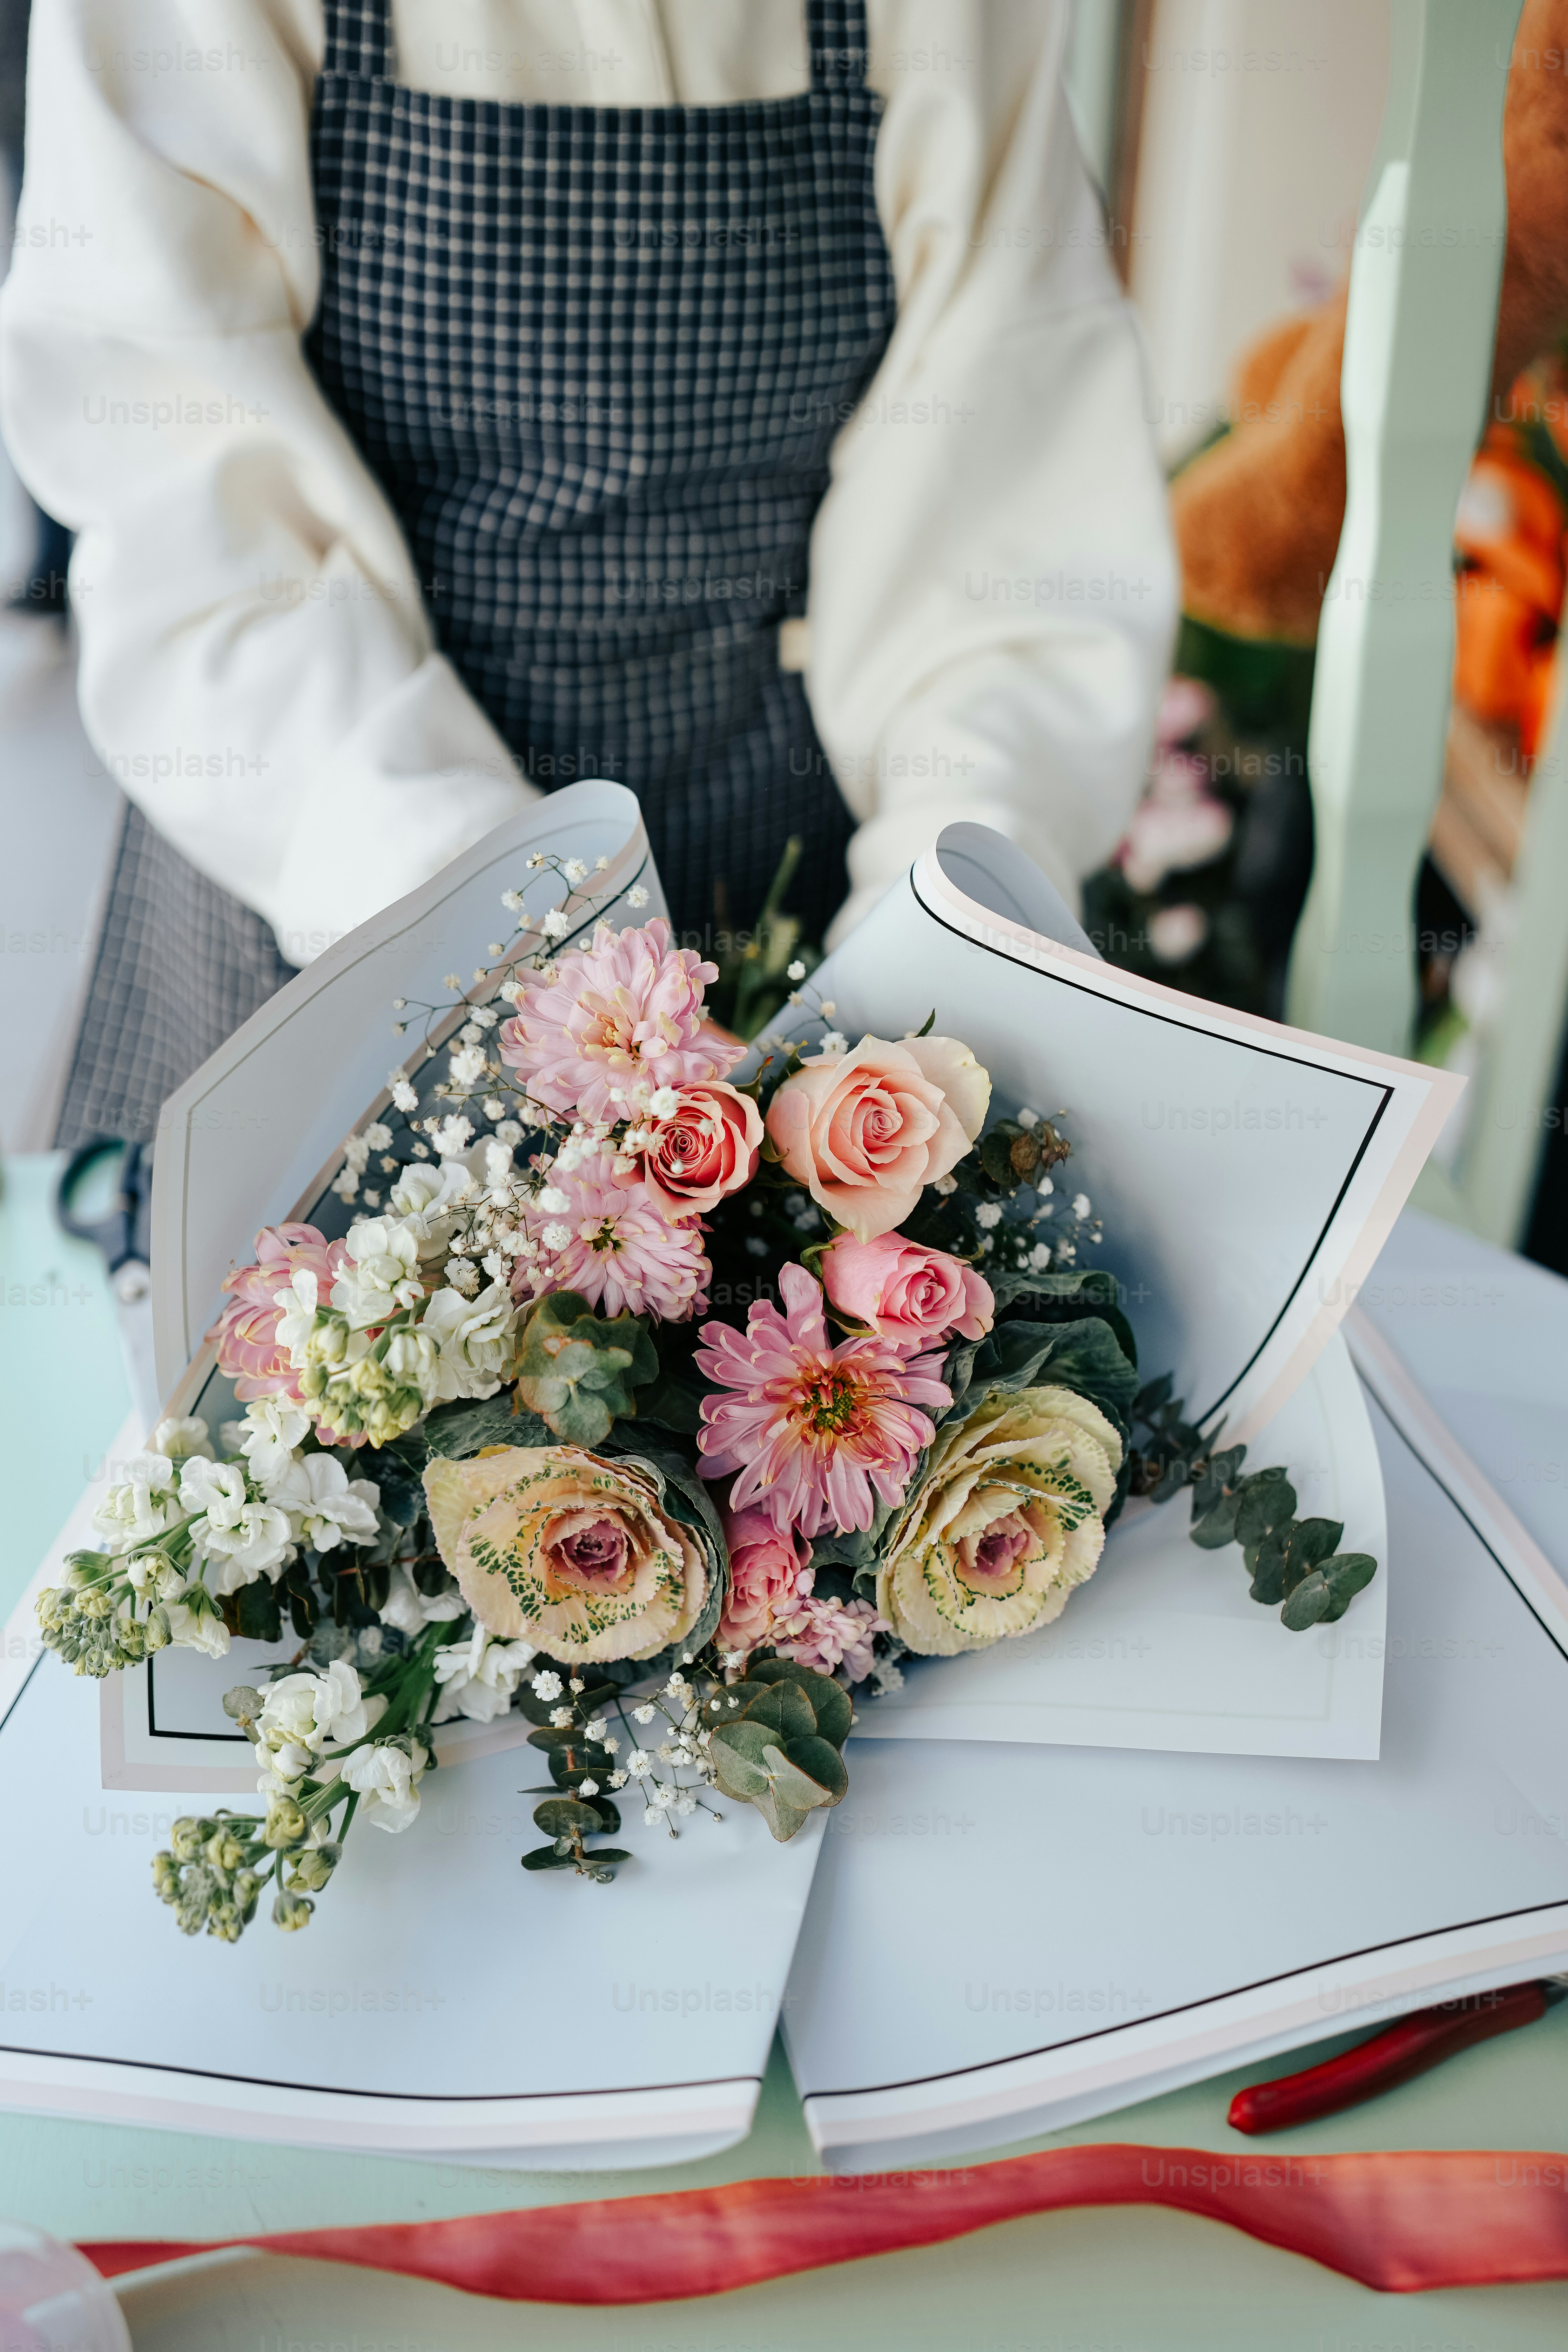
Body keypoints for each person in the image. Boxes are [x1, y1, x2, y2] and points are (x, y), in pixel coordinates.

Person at [1, 0, 1175, 1146]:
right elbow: (193, 517)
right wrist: (553, 981)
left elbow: (1005, 527)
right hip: (342, 852)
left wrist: (919, 990)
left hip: (790, 869)